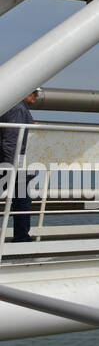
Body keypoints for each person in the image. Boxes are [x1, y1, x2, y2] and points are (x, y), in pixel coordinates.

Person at [1, 88, 40, 242]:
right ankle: (21, 237)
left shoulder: (15, 107)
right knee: (22, 200)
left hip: (12, 162)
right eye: (34, 92)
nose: (37, 95)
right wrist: (11, 168)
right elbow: (11, 141)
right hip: (13, 164)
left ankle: (21, 236)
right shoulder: (18, 108)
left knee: (21, 199)